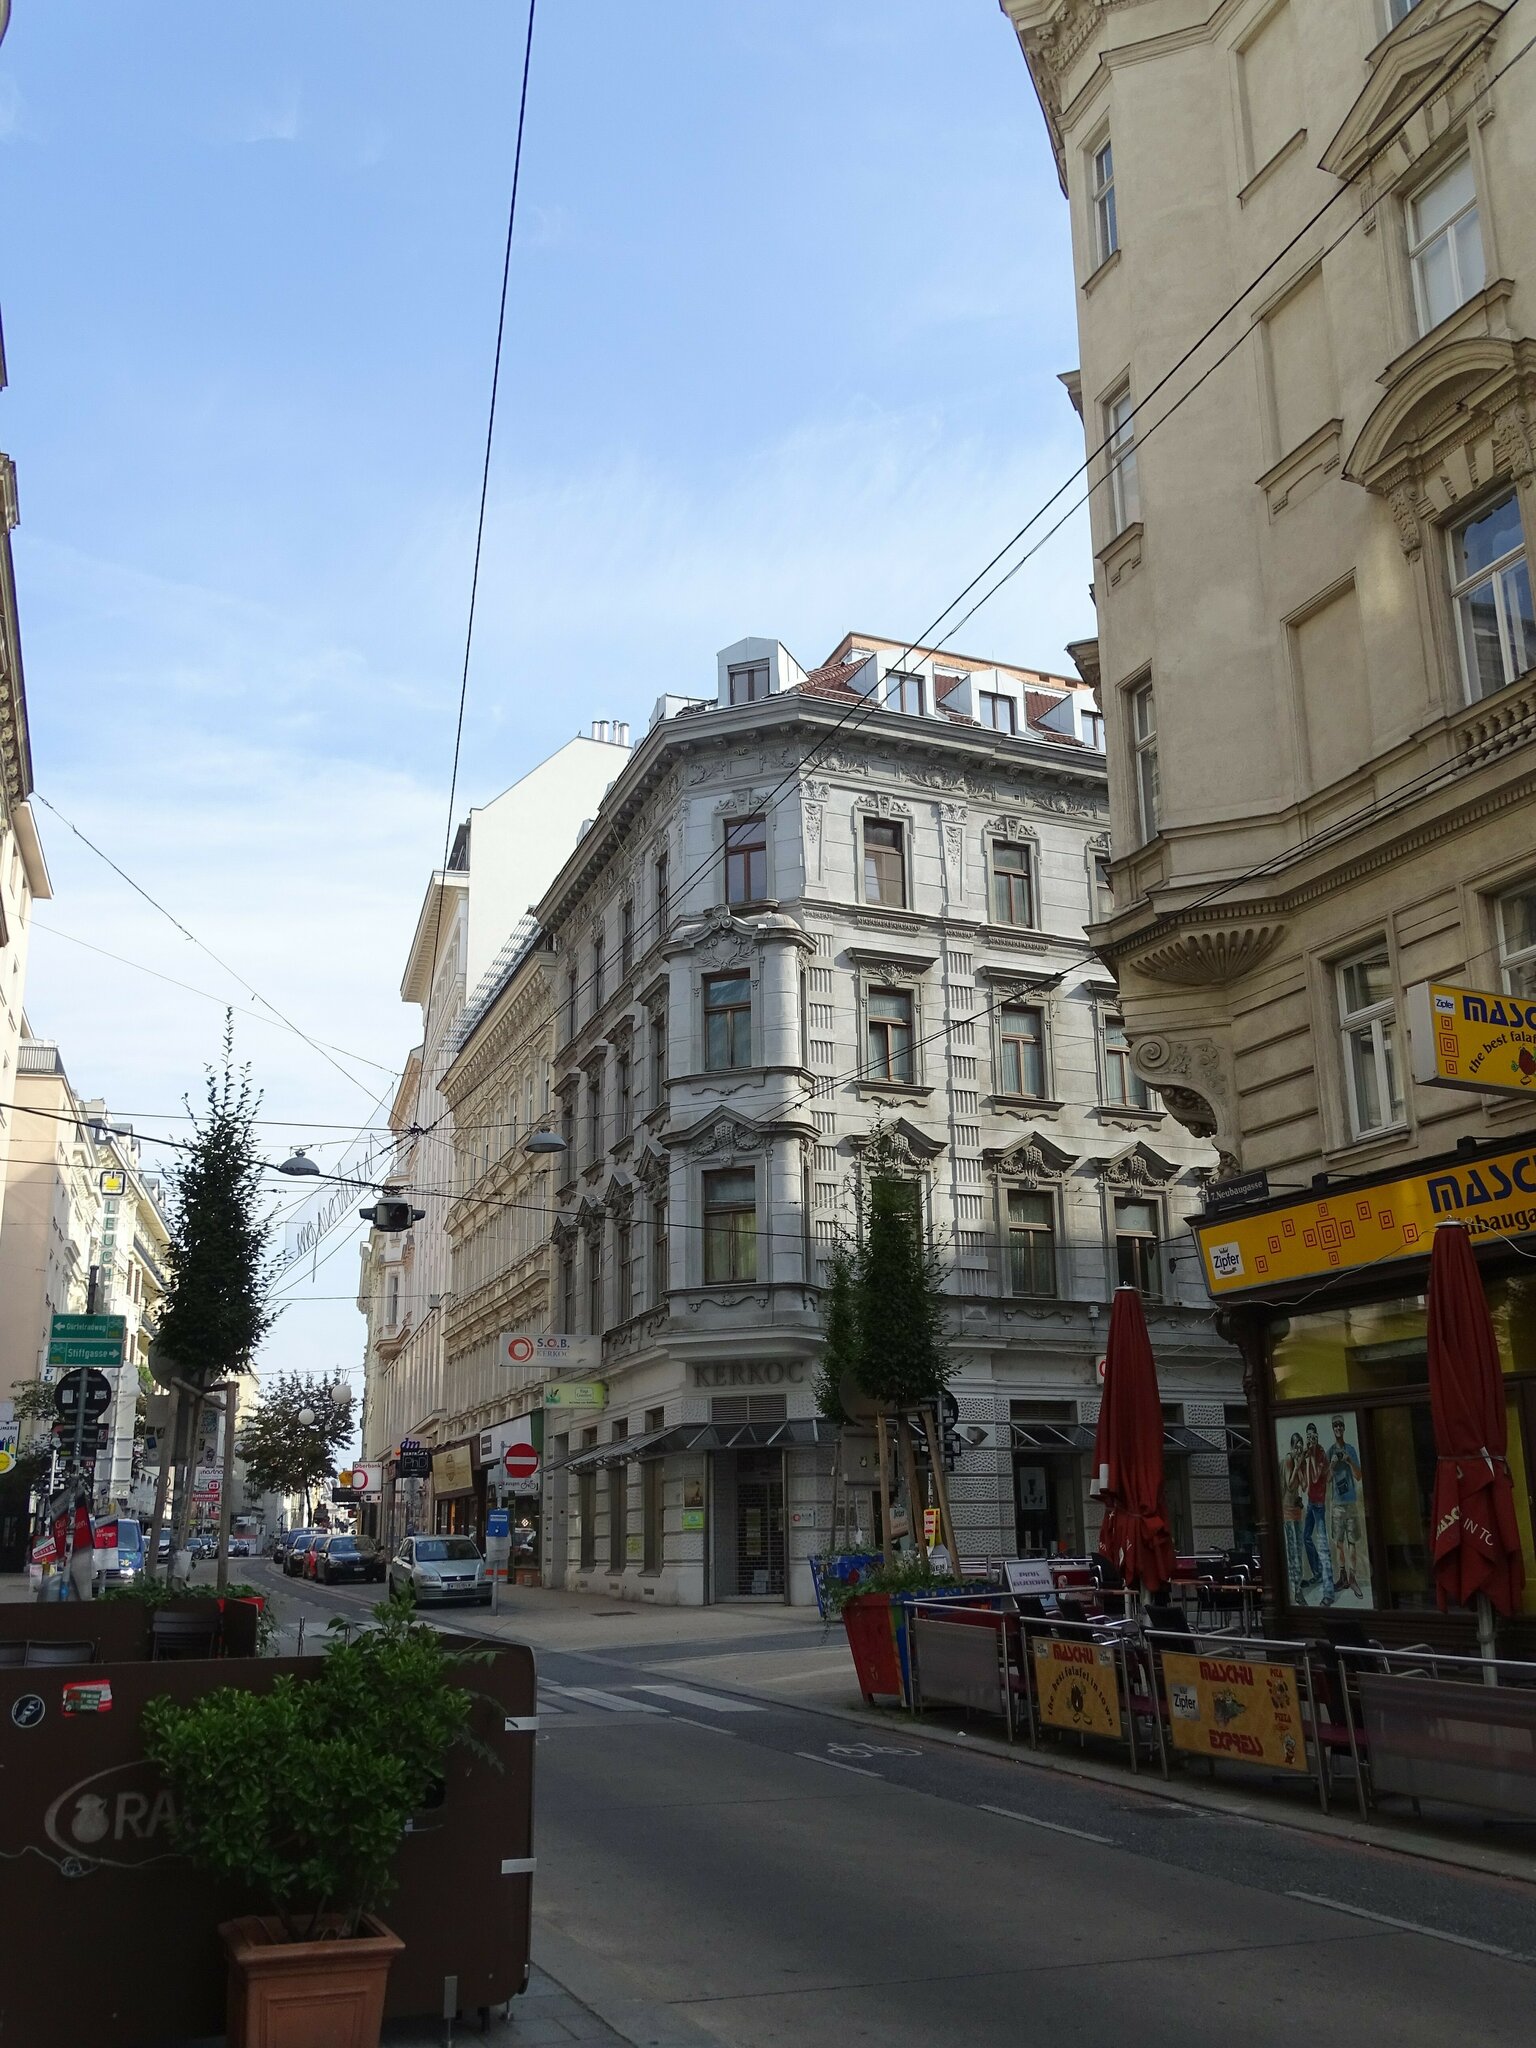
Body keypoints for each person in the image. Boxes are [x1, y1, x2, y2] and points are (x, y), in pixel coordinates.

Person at [1327, 1415, 1364, 1597]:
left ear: (1344, 1427)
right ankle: (1342, 1576)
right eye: (1335, 1425)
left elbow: (1358, 1475)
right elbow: (1326, 1479)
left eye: (1341, 1424)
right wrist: (1332, 1465)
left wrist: (1349, 1460)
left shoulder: (1350, 1449)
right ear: (1333, 1428)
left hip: (1350, 1502)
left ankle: (1352, 1578)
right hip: (1337, 1504)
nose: (1338, 1427)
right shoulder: (1330, 1451)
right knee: (1339, 1542)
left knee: (1352, 1542)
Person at [1299, 1423, 1335, 1607]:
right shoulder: (1309, 1456)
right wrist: (1301, 1461)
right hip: (1311, 1503)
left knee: (1322, 1545)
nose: (1310, 1441)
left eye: (1313, 1437)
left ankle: (1328, 1592)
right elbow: (1305, 1484)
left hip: (1319, 1504)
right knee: (1306, 1537)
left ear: (1317, 1437)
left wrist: (1311, 1457)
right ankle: (1318, 1573)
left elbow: (1315, 1478)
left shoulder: (1320, 1454)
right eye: (1308, 1438)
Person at [1279, 1432, 1306, 1604]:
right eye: (1296, 1446)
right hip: (1287, 1511)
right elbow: (1289, 1485)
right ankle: (1295, 1589)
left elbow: (1303, 1485)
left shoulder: (1299, 1461)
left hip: (1296, 1510)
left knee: (1298, 1548)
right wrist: (1296, 1466)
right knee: (1292, 1551)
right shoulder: (1289, 1460)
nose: (1298, 1449)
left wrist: (1301, 1466)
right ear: (1291, 1446)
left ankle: (1298, 1587)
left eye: (1300, 1446)